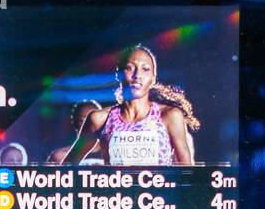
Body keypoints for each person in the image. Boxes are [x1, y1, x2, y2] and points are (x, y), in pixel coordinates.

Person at [61, 45, 198, 166]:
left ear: (153, 78)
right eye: (129, 68)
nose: (137, 75)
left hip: (158, 195)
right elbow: (67, 167)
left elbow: (187, 172)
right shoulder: (100, 119)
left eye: (145, 69)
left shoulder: (169, 116)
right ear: (119, 75)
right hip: (118, 195)